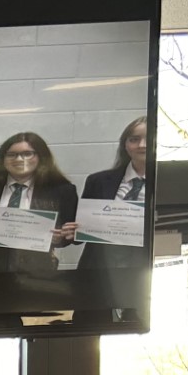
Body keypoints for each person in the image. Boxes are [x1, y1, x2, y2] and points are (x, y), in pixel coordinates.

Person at [0, 132, 78, 320]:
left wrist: (61, 237)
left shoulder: (61, 190)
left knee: (35, 322)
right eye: (12, 154)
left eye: (27, 153)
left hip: (37, 273)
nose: (19, 159)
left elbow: (69, 236)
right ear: (3, 159)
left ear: (40, 157)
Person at [67, 116, 150, 314]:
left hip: (144, 275)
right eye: (134, 139)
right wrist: (72, 231)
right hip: (98, 273)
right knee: (89, 326)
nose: (142, 145)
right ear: (125, 145)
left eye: (149, 139)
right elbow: (81, 234)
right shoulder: (98, 181)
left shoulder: (168, 184)